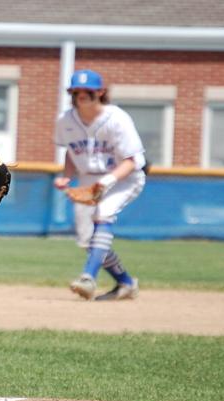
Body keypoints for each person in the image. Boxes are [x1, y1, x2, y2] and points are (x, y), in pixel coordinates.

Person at [53, 69, 147, 301]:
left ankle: (88, 278)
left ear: (101, 92)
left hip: (123, 178)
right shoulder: (65, 121)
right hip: (87, 178)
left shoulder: (117, 118)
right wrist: (66, 175)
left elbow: (132, 161)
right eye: (76, 91)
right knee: (88, 240)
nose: (81, 94)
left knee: (103, 214)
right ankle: (125, 283)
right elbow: (71, 151)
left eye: (88, 90)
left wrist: (105, 183)